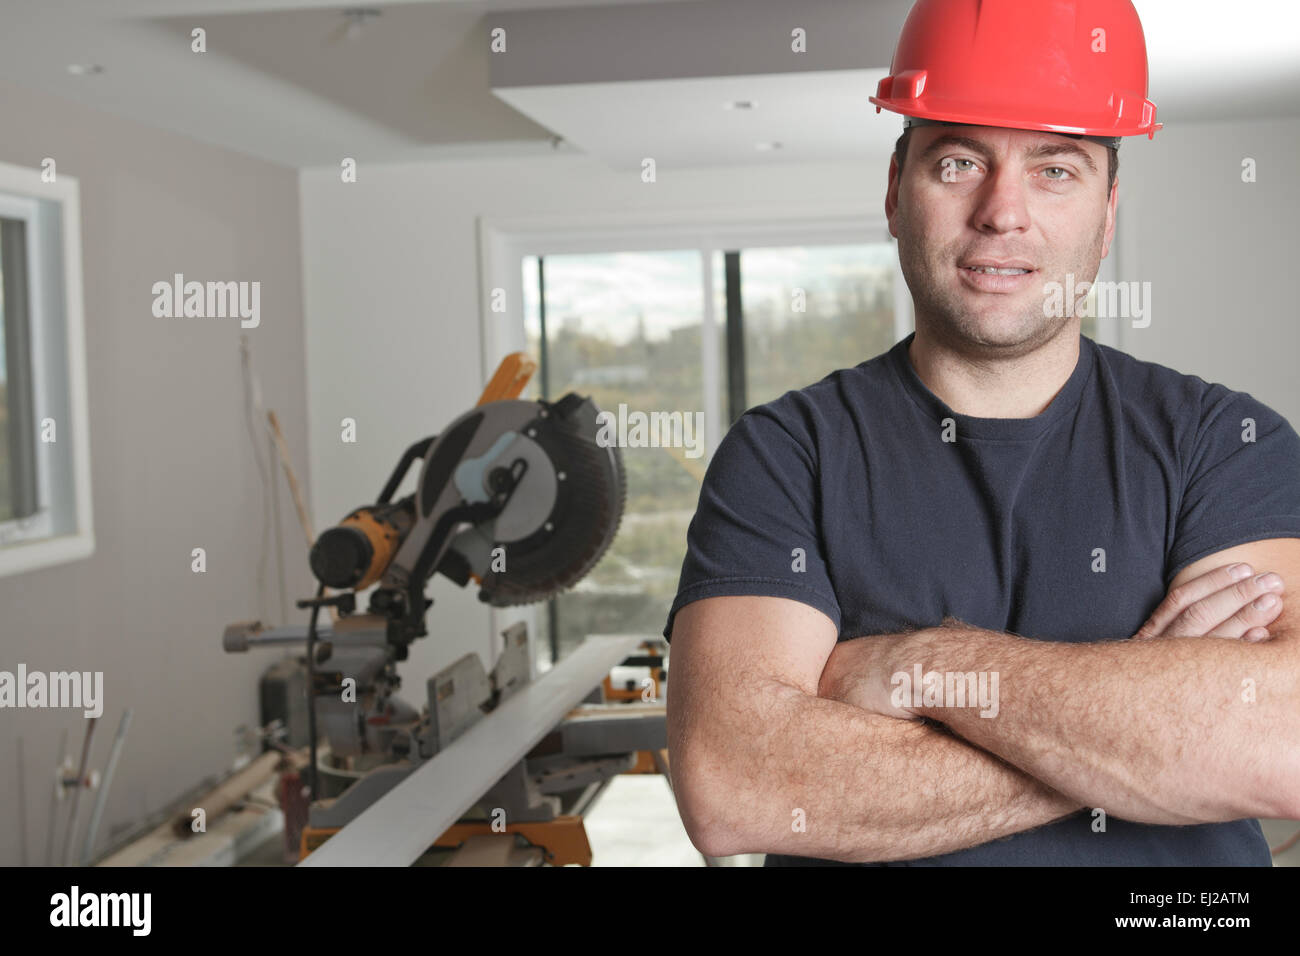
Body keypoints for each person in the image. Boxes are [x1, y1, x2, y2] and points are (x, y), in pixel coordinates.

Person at [663, 0, 1300, 865]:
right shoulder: (786, 456)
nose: (1003, 212)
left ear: (1108, 213)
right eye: (960, 161)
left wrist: (926, 668)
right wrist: (1152, 731)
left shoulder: (1227, 443)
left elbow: (1282, 743)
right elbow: (737, 784)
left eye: (1056, 169)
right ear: (896, 193)